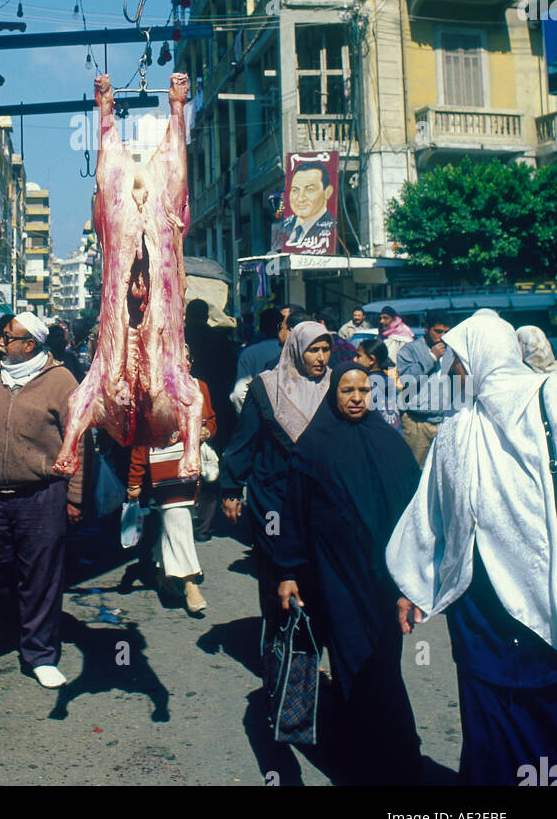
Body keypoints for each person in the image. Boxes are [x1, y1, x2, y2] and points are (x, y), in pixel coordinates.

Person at [388, 310, 557, 786]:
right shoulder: (460, 428)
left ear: (482, 355)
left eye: (459, 360)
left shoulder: (548, 400)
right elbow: (432, 515)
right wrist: (416, 586)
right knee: (490, 726)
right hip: (480, 607)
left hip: (545, 596)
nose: (454, 371)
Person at [276, 362, 422, 785]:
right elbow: (293, 511)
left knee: (384, 665)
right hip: (335, 576)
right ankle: (361, 757)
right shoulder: (314, 444)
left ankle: (397, 755)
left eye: (363, 390)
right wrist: (287, 569)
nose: (356, 398)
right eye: (347, 390)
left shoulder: (388, 442)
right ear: (332, 395)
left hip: (385, 580)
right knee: (351, 662)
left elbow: (415, 510)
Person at [0, 311, 83, 688]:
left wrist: (74, 496)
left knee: (41, 575)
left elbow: (78, 443)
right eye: (1, 336)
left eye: (7, 337)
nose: (0, 342)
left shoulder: (62, 381)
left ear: (30, 344)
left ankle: (39, 652)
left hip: (42, 496)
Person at [219, 322, 332, 685]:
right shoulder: (266, 388)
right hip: (274, 497)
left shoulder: (335, 387)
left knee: (317, 578)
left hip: (319, 500)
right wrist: (231, 487)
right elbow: (245, 439)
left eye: (325, 349)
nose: (320, 358)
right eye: (313, 349)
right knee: (275, 576)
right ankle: (277, 661)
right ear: (298, 350)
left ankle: (309, 657)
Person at [125, 350, 216, 613]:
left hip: (191, 469)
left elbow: (211, 421)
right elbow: (140, 441)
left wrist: (207, 431)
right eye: (177, 356)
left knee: (177, 521)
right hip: (163, 471)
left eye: (188, 357)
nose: (184, 362)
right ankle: (190, 583)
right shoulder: (150, 394)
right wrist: (134, 481)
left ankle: (162, 572)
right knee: (177, 520)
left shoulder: (200, 387)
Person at [395, 310, 452, 467]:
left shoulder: (451, 352)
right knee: (414, 469)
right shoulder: (409, 351)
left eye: (447, 332)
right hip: (417, 423)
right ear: (427, 328)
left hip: (444, 422)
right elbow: (407, 380)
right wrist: (431, 358)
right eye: (438, 331)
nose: (442, 337)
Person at [229, 305, 309, 412]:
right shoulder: (297, 350)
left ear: (261, 327)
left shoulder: (250, 353)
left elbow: (239, 394)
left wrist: (252, 416)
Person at [184, 298, 237, 451]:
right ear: (206, 317)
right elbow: (231, 371)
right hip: (217, 400)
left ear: (188, 316)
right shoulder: (221, 340)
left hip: (186, 399)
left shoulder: (180, 338)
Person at [281, 161, 336, 254]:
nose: (300, 198)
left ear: (327, 192)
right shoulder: (286, 227)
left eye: (310, 189)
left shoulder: (331, 226)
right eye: (295, 190)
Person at [354, 337, 402, 430]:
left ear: (372, 360)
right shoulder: (388, 381)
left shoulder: (367, 385)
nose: (354, 360)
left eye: (358, 356)